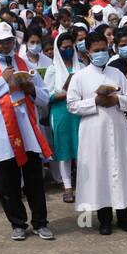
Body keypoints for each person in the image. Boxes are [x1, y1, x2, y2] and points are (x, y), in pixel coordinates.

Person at [0, 21, 53, 242]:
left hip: (27, 131)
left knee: (35, 180)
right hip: (2, 133)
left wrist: (31, 89)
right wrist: (3, 82)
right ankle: (18, 224)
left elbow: (45, 97)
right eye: (0, 42)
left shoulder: (25, 63)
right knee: (8, 182)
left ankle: (40, 223)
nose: (5, 46)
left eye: (9, 41)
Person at [67, 30, 127, 236]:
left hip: (117, 127)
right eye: (96, 50)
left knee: (121, 170)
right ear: (88, 52)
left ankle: (124, 216)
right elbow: (72, 105)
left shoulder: (116, 73)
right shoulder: (80, 77)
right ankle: (104, 219)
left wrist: (117, 99)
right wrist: (96, 101)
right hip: (93, 131)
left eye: (104, 49)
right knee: (101, 172)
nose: (101, 53)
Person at [43, 30, 82, 204]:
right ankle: (67, 186)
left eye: (70, 47)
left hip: (79, 112)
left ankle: (83, 184)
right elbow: (47, 96)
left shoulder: (81, 66)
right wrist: (68, 89)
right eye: (64, 47)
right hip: (61, 113)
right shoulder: (53, 70)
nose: (67, 49)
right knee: (64, 150)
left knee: (81, 149)